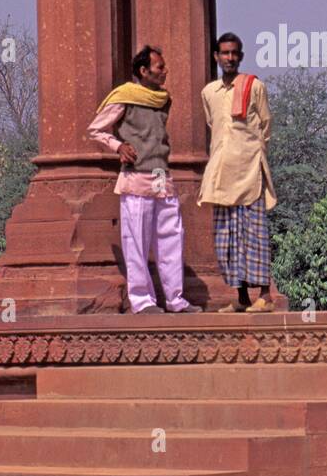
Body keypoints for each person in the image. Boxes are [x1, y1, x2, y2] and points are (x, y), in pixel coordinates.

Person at [87, 45, 200, 315]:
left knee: (171, 237)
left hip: (160, 173)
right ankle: (142, 300)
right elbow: (95, 129)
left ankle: (176, 299)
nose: (165, 71)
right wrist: (118, 146)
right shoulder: (125, 96)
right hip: (136, 175)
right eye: (160, 67)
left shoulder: (162, 99)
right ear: (143, 71)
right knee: (136, 239)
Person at [199, 32, 277, 313]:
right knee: (227, 238)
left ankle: (266, 296)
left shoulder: (254, 87)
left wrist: (251, 155)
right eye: (225, 53)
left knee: (254, 235)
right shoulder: (209, 92)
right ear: (216, 57)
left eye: (234, 53)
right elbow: (214, 126)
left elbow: (265, 127)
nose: (230, 58)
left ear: (241, 56)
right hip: (222, 173)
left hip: (248, 173)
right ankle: (242, 297)